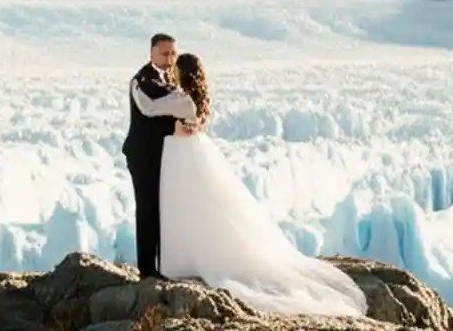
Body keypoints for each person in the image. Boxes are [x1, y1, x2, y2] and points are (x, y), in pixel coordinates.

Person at [156, 52, 368, 317]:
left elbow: (181, 125)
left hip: (182, 152)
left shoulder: (183, 100)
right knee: (196, 204)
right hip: (188, 152)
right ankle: (186, 256)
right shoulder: (191, 98)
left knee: (185, 202)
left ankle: (182, 259)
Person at [121, 32, 199, 279]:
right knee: (147, 208)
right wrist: (180, 110)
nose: (169, 58)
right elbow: (152, 108)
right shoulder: (142, 80)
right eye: (164, 53)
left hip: (162, 154)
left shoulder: (167, 81)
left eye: (173, 53)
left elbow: (184, 107)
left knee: (162, 209)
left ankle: (162, 265)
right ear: (151, 53)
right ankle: (147, 269)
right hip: (143, 155)